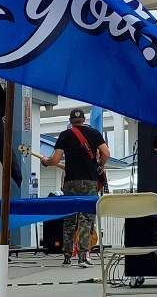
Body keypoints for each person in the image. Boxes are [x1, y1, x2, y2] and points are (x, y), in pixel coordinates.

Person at [28, 108, 109, 264]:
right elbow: (106, 153)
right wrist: (99, 165)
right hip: (89, 181)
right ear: (84, 120)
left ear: (70, 121)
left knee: (70, 218)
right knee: (86, 218)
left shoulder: (65, 135)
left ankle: (67, 255)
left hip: (70, 182)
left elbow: (55, 159)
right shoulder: (94, 134)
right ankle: (83, 255)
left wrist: (46, 162)